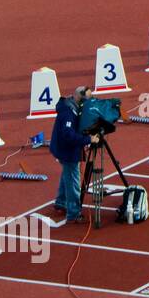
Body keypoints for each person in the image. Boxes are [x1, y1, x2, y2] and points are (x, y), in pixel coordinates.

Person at [50, 87, 95, 223]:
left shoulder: (71, 107)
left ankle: (61, 202)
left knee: (67, 174)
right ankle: (73, 213)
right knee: (73, 180)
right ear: (78, 97)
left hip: (65, 148)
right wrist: (88, 139)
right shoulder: (69, 113)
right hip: (67, 150)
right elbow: (68, 135)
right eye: (86, 100)